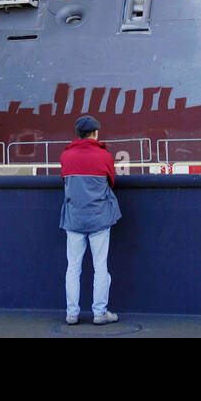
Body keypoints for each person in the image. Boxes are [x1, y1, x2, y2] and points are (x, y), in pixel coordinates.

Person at [59, 115, 121, 325]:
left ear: (78, 134)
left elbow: (65, 182)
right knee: (100, 266)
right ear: (95, 133)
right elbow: (110, 181)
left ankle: (71, 313)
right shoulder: (104, 156)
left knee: (73, 268)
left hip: (74, 219)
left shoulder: (66, 156)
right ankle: (100, 312)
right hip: (99, 219)